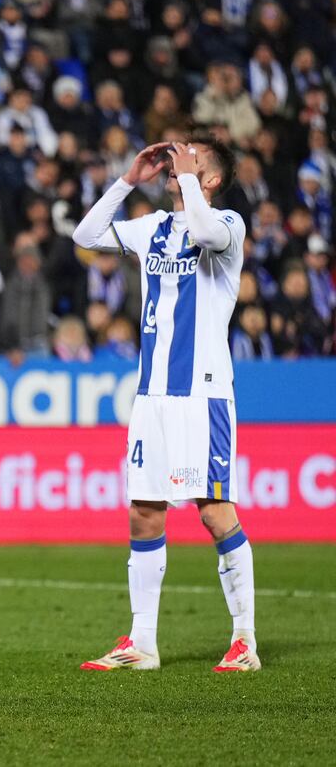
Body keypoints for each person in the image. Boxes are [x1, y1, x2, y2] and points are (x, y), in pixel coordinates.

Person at [72, 138, 258, 673]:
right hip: (151, 395)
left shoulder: (226, 224)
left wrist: (190, 183)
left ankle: (244, 640)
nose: (178, 162)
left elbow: (200, 229)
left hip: (203, 394)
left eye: (192, 157)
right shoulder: (152, 226)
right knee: (144, 513)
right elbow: (85, 235)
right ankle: (143, 643)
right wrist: (127, 179)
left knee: (215, 512)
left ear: (212, 178)